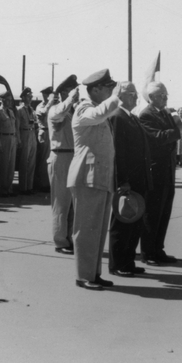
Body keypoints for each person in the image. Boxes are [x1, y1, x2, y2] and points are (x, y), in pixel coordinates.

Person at [67, 69, 121, 290]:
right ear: (96, 89)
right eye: (108, 88)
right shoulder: (84, 108)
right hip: (86, 176)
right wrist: (117, 97)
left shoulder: (100, 110)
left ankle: (93, 273)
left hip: (99, 176)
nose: (111, 91)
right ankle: (84, 276)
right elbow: (98, 114)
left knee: (97, 229)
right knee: (86, 228)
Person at [108, 81, 152, 277]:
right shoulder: (117, 117)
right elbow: (118, 152)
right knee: (122, 221)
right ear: (120, 96)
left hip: (139, 178)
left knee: (135, 222)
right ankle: (117, 264)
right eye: (131, 93)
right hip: (128, 180)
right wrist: (122, 180)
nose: (136, 97)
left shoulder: (131, 117)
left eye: (135, 93)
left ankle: (128, 261)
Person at [139, 81, 181, 265]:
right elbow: (158, 138)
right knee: (153, 212)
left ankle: (158, 249)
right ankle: (148, 252)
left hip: (168, 169)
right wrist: (178, 130)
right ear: (151, 97)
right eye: (161, 95)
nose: (165, 98)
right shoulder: (146, 115)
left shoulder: (164, 113)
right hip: (155, 170)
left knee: (164, 211)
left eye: (166, 95)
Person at [45, 76, 79, 253]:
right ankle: (60, 241)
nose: (76, 93)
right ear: (64, 92)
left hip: (73, 156)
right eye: (72, 90)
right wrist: (70, 99)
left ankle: (69, 238)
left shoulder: (72, 111)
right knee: (61, 202)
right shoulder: (55, 109)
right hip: (61, 156)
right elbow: (58, 114)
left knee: (72, 203)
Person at [0, 91, 19, 197]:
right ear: (3, 100)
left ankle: (9, 188)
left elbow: (15, 127)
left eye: (10, 100)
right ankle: (2, 189)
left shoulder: (10, 112)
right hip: (3, 139)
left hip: (12, 139)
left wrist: (16, 140)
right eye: (8, 100)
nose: (10, 102)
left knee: (11, 165)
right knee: (4, 165)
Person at [16, 87, 38, 195]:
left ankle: (29, 186)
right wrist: (19, 140)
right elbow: (17, 126)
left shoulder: (32, 110)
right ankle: (23, 187)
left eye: (31, 96)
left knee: (31, 162)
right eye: (28, 96)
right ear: (23, 97)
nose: (30, 98)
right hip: (24, 133)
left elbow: (35, 122)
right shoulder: (19, 110)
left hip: (32, 133)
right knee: (24, 161)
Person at [34, 86, 54, 192]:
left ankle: (49, 182)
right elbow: (43, 113)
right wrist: (50, 103)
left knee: (51, 158)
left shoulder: (54, 105)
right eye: (47, 94)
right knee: (44, 159)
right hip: (44, 132)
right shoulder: (40, 106)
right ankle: (43, 183)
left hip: (52, 132)